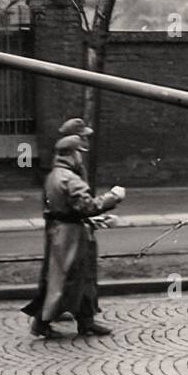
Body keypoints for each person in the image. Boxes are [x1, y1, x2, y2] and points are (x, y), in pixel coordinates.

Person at [23, 135, 125, 338]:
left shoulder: (54, 175)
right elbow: (87, 206)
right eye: (79, 152)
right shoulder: (70, 179)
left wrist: (92, 220)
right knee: (69, 279)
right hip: (71, 236)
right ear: (72, 154)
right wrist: (113, 196)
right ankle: (42, 323)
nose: (81, 157)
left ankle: (86, 321)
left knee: (78, 277)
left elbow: (67, 209)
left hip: (64, 231)